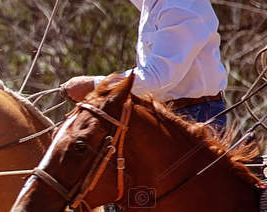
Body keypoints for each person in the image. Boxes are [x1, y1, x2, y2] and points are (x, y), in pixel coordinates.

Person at [62, 0, 230, 133]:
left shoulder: (182, 5)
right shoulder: (155, 4)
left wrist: (94, 86)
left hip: (197, 117)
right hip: (168, 114)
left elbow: (157, 78)